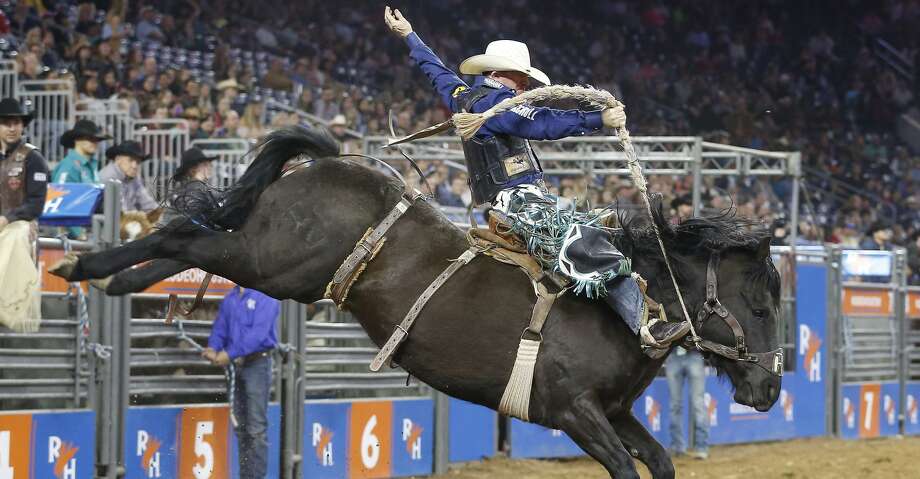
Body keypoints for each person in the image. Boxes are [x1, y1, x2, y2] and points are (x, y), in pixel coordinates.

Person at [384, 6, 688, 352]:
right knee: (582, 241)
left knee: (603, 230)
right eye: (520, 77)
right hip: (518, 202)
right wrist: (597, 118)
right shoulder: (495, 104)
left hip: (517, 198)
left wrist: (410, 36)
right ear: (497, 73)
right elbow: (541, 122)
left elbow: (436, 71)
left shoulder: (464, 97)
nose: (525, 84)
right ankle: (646, 326)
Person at [203, 285, 279, 479]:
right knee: (242, 427)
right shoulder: (231, 298)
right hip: (237, 365)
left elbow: (258, 335)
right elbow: (220, 327)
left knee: (255, 428)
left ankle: (255, 476)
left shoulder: (267, 296)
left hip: (256, 363)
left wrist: (228, 353)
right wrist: (213, 347)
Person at [0, 97, 47, 332]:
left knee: (16, 237)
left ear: (22, 126)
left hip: (19, 223)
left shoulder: (33, 158)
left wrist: (7, 218)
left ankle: (9, 307)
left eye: (16, 123)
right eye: (6, 123)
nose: (11, 128)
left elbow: (36, 204)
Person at [51, 119, 111, 239]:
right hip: (71, 237)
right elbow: (60, 202)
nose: (95, 142)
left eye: (96, 139)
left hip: (88, 230)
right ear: (77, 140)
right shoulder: (69, 166)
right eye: (90, 138)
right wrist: (79, 233)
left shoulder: (91, 166)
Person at [665, 348, 710, 460]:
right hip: (673, 355)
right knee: (675, 405)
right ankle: (678, 447)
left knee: (698, 404)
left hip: (694, 354)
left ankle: (701, 447)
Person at [160, 147, 217, 227]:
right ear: (193, 169)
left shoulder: (184, 187)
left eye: (209, 164)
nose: (210, 167)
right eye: (205, 164)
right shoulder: (197, 188)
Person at [99, 140, 158, 213]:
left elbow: (148, 203)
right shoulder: (108, 178)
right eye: (130, 160)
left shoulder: (134, 177)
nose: (134, 166)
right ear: (117, 159)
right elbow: (121, 214)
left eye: (138, 162)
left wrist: (157, 213)